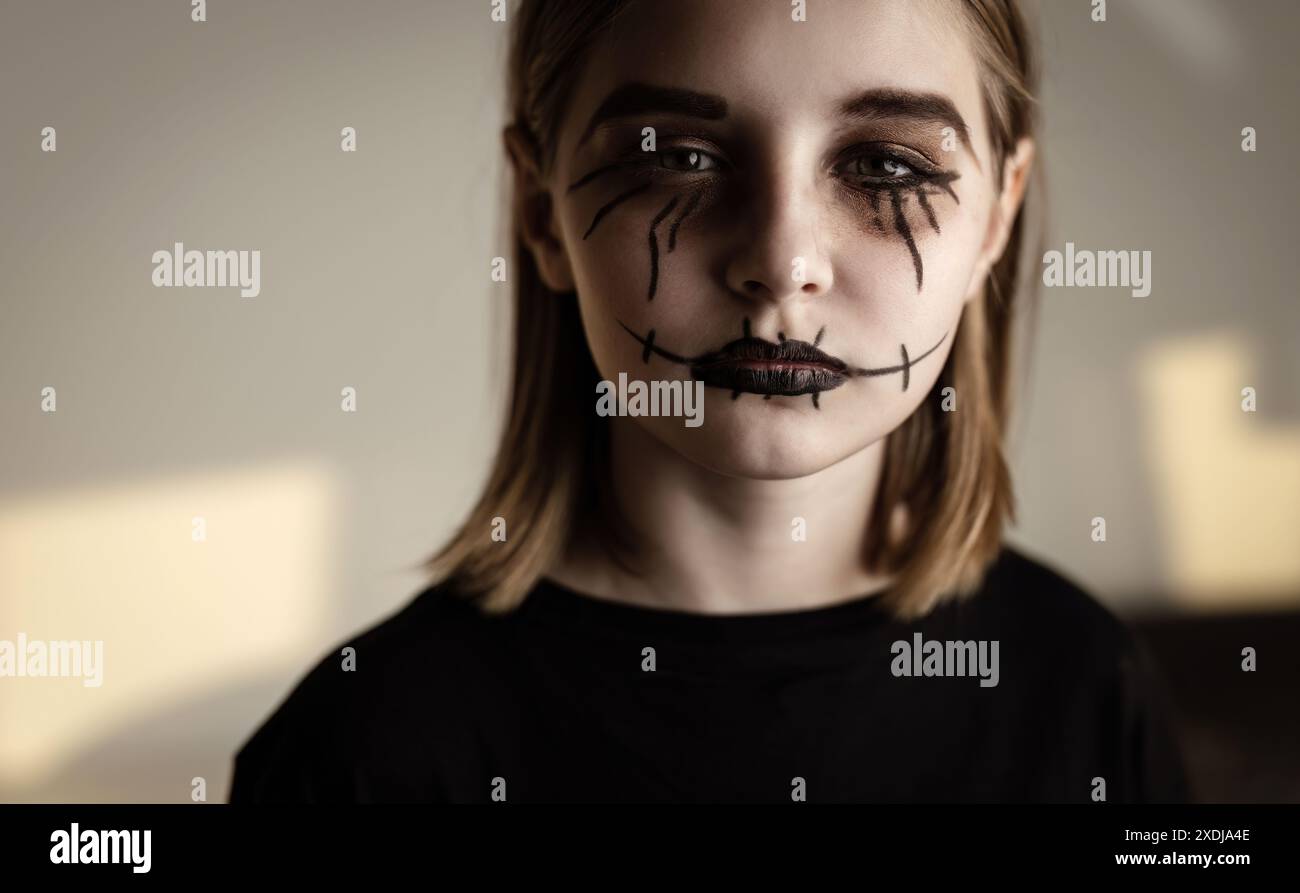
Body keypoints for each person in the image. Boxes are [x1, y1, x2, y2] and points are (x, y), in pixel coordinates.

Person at [230, 0, 1190, 803]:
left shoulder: (1082, 682)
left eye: (886, 166)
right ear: (540, 210)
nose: (781, 262)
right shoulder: (360, 751)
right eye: (680, 157)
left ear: (998, 213)